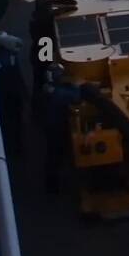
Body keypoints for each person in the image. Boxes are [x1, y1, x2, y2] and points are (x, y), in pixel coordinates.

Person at [41, 63, 80, 194]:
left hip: (50, 126)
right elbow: (75, 97)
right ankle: (54, 186)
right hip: (57, 128)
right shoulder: (59, 94)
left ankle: (52, 184)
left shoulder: (47, 89)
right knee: (57, 156)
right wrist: (76, 86)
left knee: (52, 157)